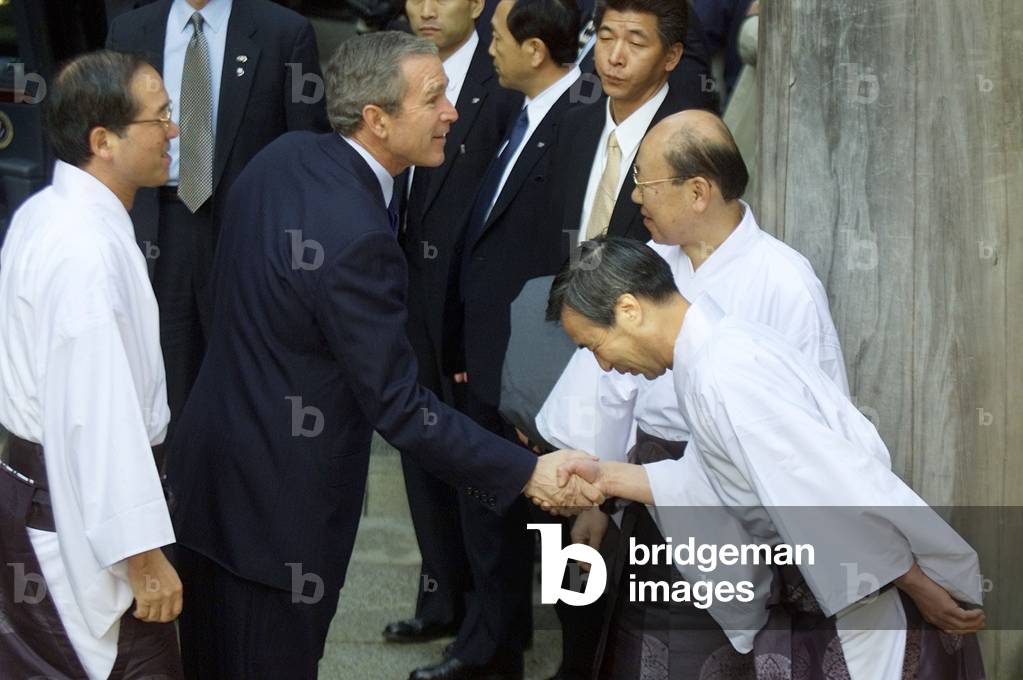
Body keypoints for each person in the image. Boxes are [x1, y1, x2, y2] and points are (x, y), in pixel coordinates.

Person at [163, 31, 600, 680]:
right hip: (279, 517)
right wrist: (526, 474)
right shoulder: (358, 236)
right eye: (433, 98)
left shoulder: (281, 158)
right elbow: (398, 407)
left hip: (207, 482)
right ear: (376, 120)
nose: (452, 111)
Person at [547, 236, 987, 680]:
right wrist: (603, 477)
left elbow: (824, 491)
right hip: (840, 587)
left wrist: (916, 583)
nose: (602, 365)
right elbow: (710, 482)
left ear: (629, 310)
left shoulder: (724, 372)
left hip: (863, 600)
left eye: (594, 345)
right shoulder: (714, 355)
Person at [534, 108, 850, 677]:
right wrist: (601, 499)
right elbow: (611, 385)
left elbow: (814, 427)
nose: (636, 199)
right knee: (640, 646)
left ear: (699, 191)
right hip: (648, 485)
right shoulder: (651, 265)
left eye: (645, 185)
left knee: (722, 651)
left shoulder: (786, 279)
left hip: (738, 503)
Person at [405, 2, 583, 678]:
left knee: (524, 518)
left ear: (534, 51)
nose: (490, 48)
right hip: (485, 353)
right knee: (489, 515)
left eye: (499, 37)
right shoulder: (527, 112)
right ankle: (486, 645)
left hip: (526, 364)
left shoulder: (571, 122)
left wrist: (523, 376)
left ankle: (497, 649)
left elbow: (554, 256)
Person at [0, 50, 184, 680]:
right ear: (103, 140)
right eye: (159, 118)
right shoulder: (81, 246)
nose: (175, 130)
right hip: (77, 511)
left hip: (43, 497)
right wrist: (142, 557)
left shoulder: (48, 211)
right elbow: (97, 417)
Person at [106, 0, 329, 435]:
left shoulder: (283, 31)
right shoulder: (131, 32)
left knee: (247, 382)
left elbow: (308, 155)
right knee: (160, 382)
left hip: (246, 233)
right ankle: (169, 492)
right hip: (157, 226)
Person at [384, 0, 523, 646]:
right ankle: (438, 594)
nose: (428, 7)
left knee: (474, 452)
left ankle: (484, 619)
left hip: (467, 300)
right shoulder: (389, 63)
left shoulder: (501, 84)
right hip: (403, 288)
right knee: (419, 448)